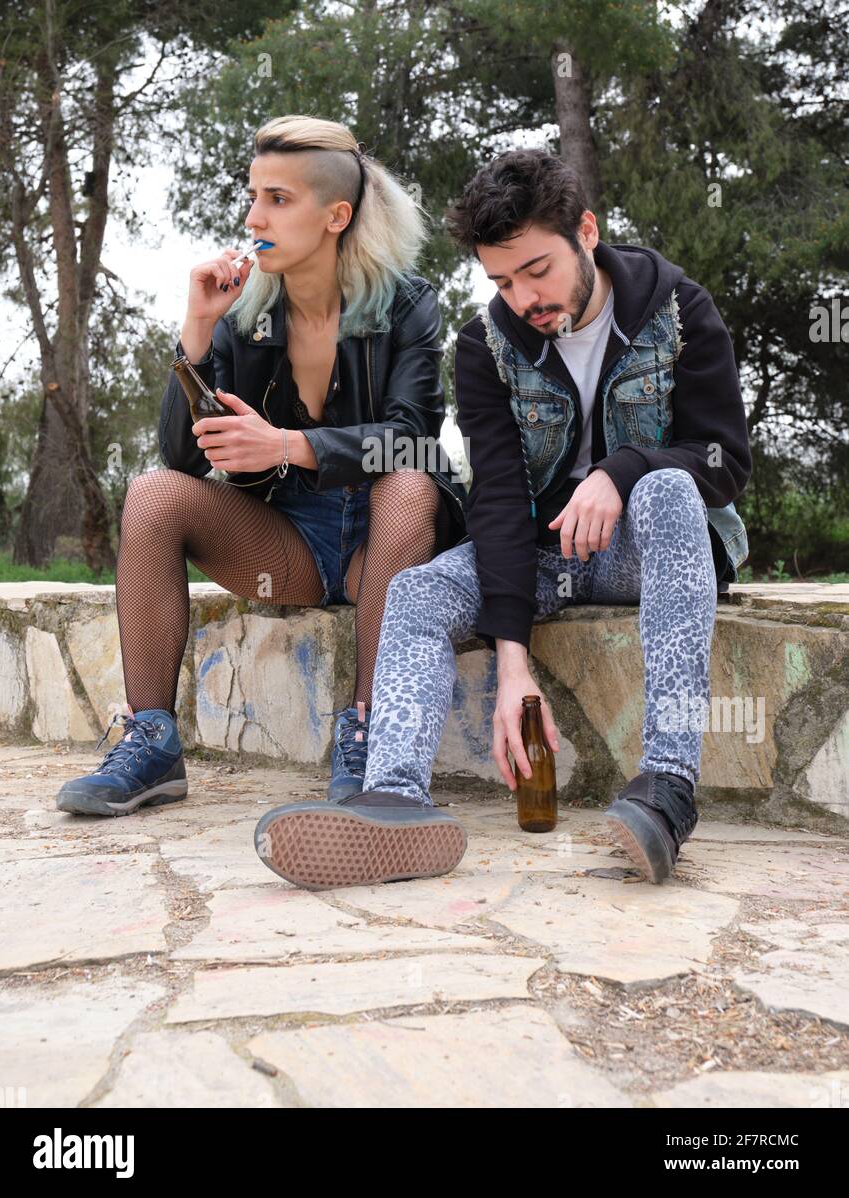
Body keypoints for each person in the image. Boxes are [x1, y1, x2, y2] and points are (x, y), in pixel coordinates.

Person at [253, 149, 752, 890]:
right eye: (502, 281)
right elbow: (497, 502)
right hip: (549, 554)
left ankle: (668, 790)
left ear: (585, 231)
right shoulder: (485, 345)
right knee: (419, 593)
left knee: (668, 490)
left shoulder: (677, 308)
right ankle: (395, 800)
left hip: (654, 547)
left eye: (537, 271)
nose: (523, 297)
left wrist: (621, 474)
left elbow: (723, 461)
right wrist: (512, 655)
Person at [55, 115, 466, 818]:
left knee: (405, 485)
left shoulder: (407, 304)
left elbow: (415, 442)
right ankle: (151, 741)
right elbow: (181, 456)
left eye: (278, 199)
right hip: (292, 544)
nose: (253, 217)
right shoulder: (245, 312)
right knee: (153, 496)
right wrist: (196, 332)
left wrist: (287, 445)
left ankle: (368, 738)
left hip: (387, 543)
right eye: (252, 197)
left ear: (336, 215)